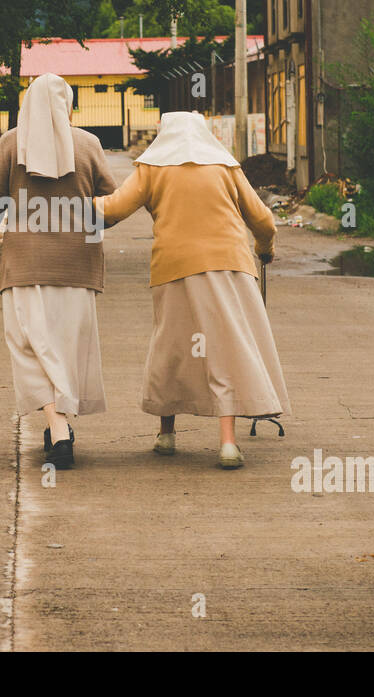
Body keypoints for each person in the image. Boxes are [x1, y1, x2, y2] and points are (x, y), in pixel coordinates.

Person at [95, 110, 289, 469]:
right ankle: (227, 444)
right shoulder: (225, 167)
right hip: (229, 266)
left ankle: (166, 435)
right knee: (225, 348)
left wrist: (64, 201)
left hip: (174, 269)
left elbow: (111, 211)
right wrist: (265, 250)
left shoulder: (152, 167)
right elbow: (262, 219)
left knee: (174, 346)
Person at [0, 73, 117, 469]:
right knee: (66, 349)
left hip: (24, 271)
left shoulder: (10, 143)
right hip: (79, 269)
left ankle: (56, 427)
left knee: (31, 349)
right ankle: (61, 428)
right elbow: (113, 207)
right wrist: (82, 218)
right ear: (68, 107)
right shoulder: (89, 144)